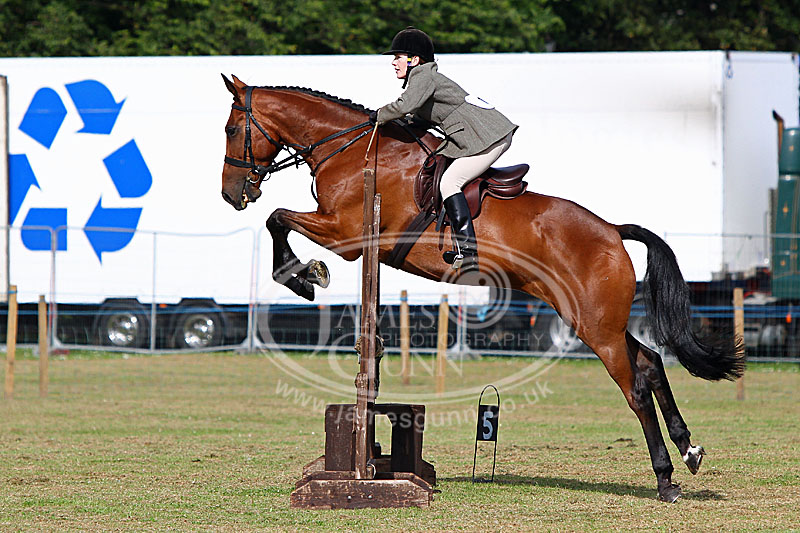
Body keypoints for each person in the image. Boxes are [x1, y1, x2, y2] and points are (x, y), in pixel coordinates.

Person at [371, 26, 518, 274]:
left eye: (398, 57)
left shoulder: (423, 76)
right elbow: (417, 119)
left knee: (449, 182)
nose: (393, 63)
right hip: (481, 135)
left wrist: (376, 116)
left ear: (414, 60)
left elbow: (404, 106)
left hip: (488, 137)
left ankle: (468, 252)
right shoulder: (424, 79)